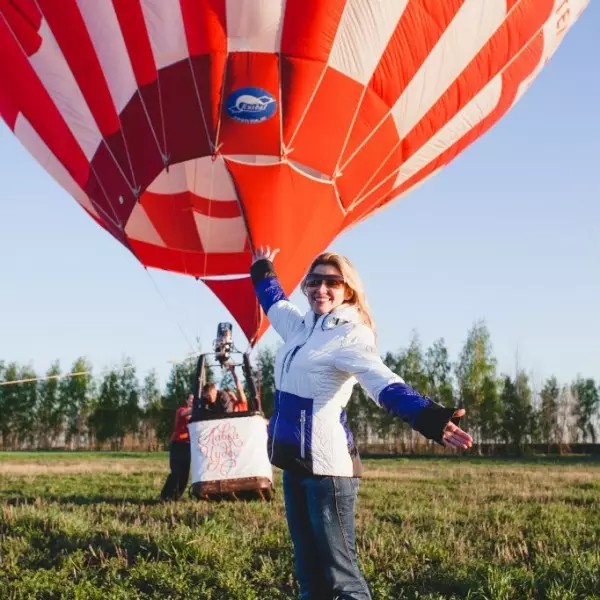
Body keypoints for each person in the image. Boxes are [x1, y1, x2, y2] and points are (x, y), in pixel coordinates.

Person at [250, 246, 472, 600]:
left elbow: (381, 381)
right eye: (314, 281)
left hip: (329, 472)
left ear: (347, 290)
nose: (321, 289)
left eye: (332, 282)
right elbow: (272, 299)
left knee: (342, 578)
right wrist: (263, 266)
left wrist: (427, 417)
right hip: (294, 465)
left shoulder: (351, 335)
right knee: (308, 572)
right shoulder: (300, 326)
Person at [160, 392, 193, 501]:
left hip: (188, 446)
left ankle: (176, 497)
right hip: (177, 445)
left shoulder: (196, 414)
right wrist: (198, 407)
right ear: (187, 401)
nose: (193, 402)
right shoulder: (181, 410)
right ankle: (165, 495)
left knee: (184, 475)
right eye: (191, 400)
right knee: (176, 472)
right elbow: (185, 413)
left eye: (195, 400)